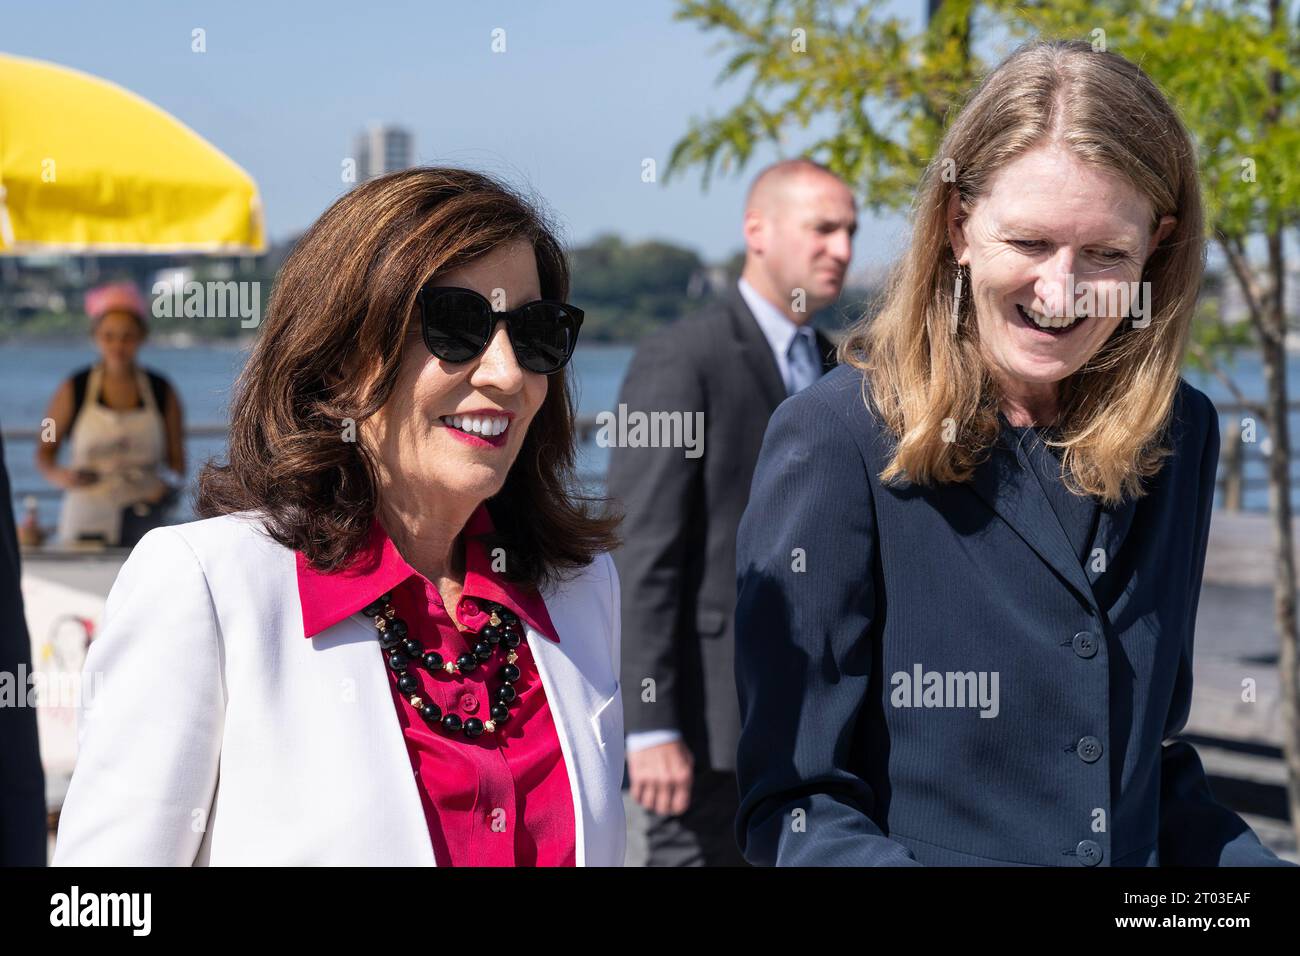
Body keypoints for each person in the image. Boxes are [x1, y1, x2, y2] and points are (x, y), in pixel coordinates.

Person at [735, 40, 1294, 867]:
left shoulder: (1184, 432)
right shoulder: (836, 437)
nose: (1061, 292)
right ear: (958, 226)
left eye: (1106, 254)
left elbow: (1143, 773)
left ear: (1159, 249)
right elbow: (794, 805)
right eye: (1030, 243)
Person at [52, 167, 626, 866]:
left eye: (536, 332)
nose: (507, 374)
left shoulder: (582, 589)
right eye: (456, 325)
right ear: (343, 357)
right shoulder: (209, 587)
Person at [609, 158, 856, 865]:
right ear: (758, 230)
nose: (841, 249)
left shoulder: (839, 367)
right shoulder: (683, 357)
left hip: (819, 719)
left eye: (849, 232)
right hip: (709, 721)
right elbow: (642, 549)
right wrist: (650, 724)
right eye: (823, 228)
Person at [36, 281, 185, 547]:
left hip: (146, 518)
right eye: (109, 336)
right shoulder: (72, 387)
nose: (118, 345)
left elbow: (178, 460)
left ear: (141, 337)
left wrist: (165, 488)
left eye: (127, 336)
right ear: (96, 337)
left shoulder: (163, 391)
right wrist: (59, 474)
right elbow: (47, 435)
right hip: (86, 516)